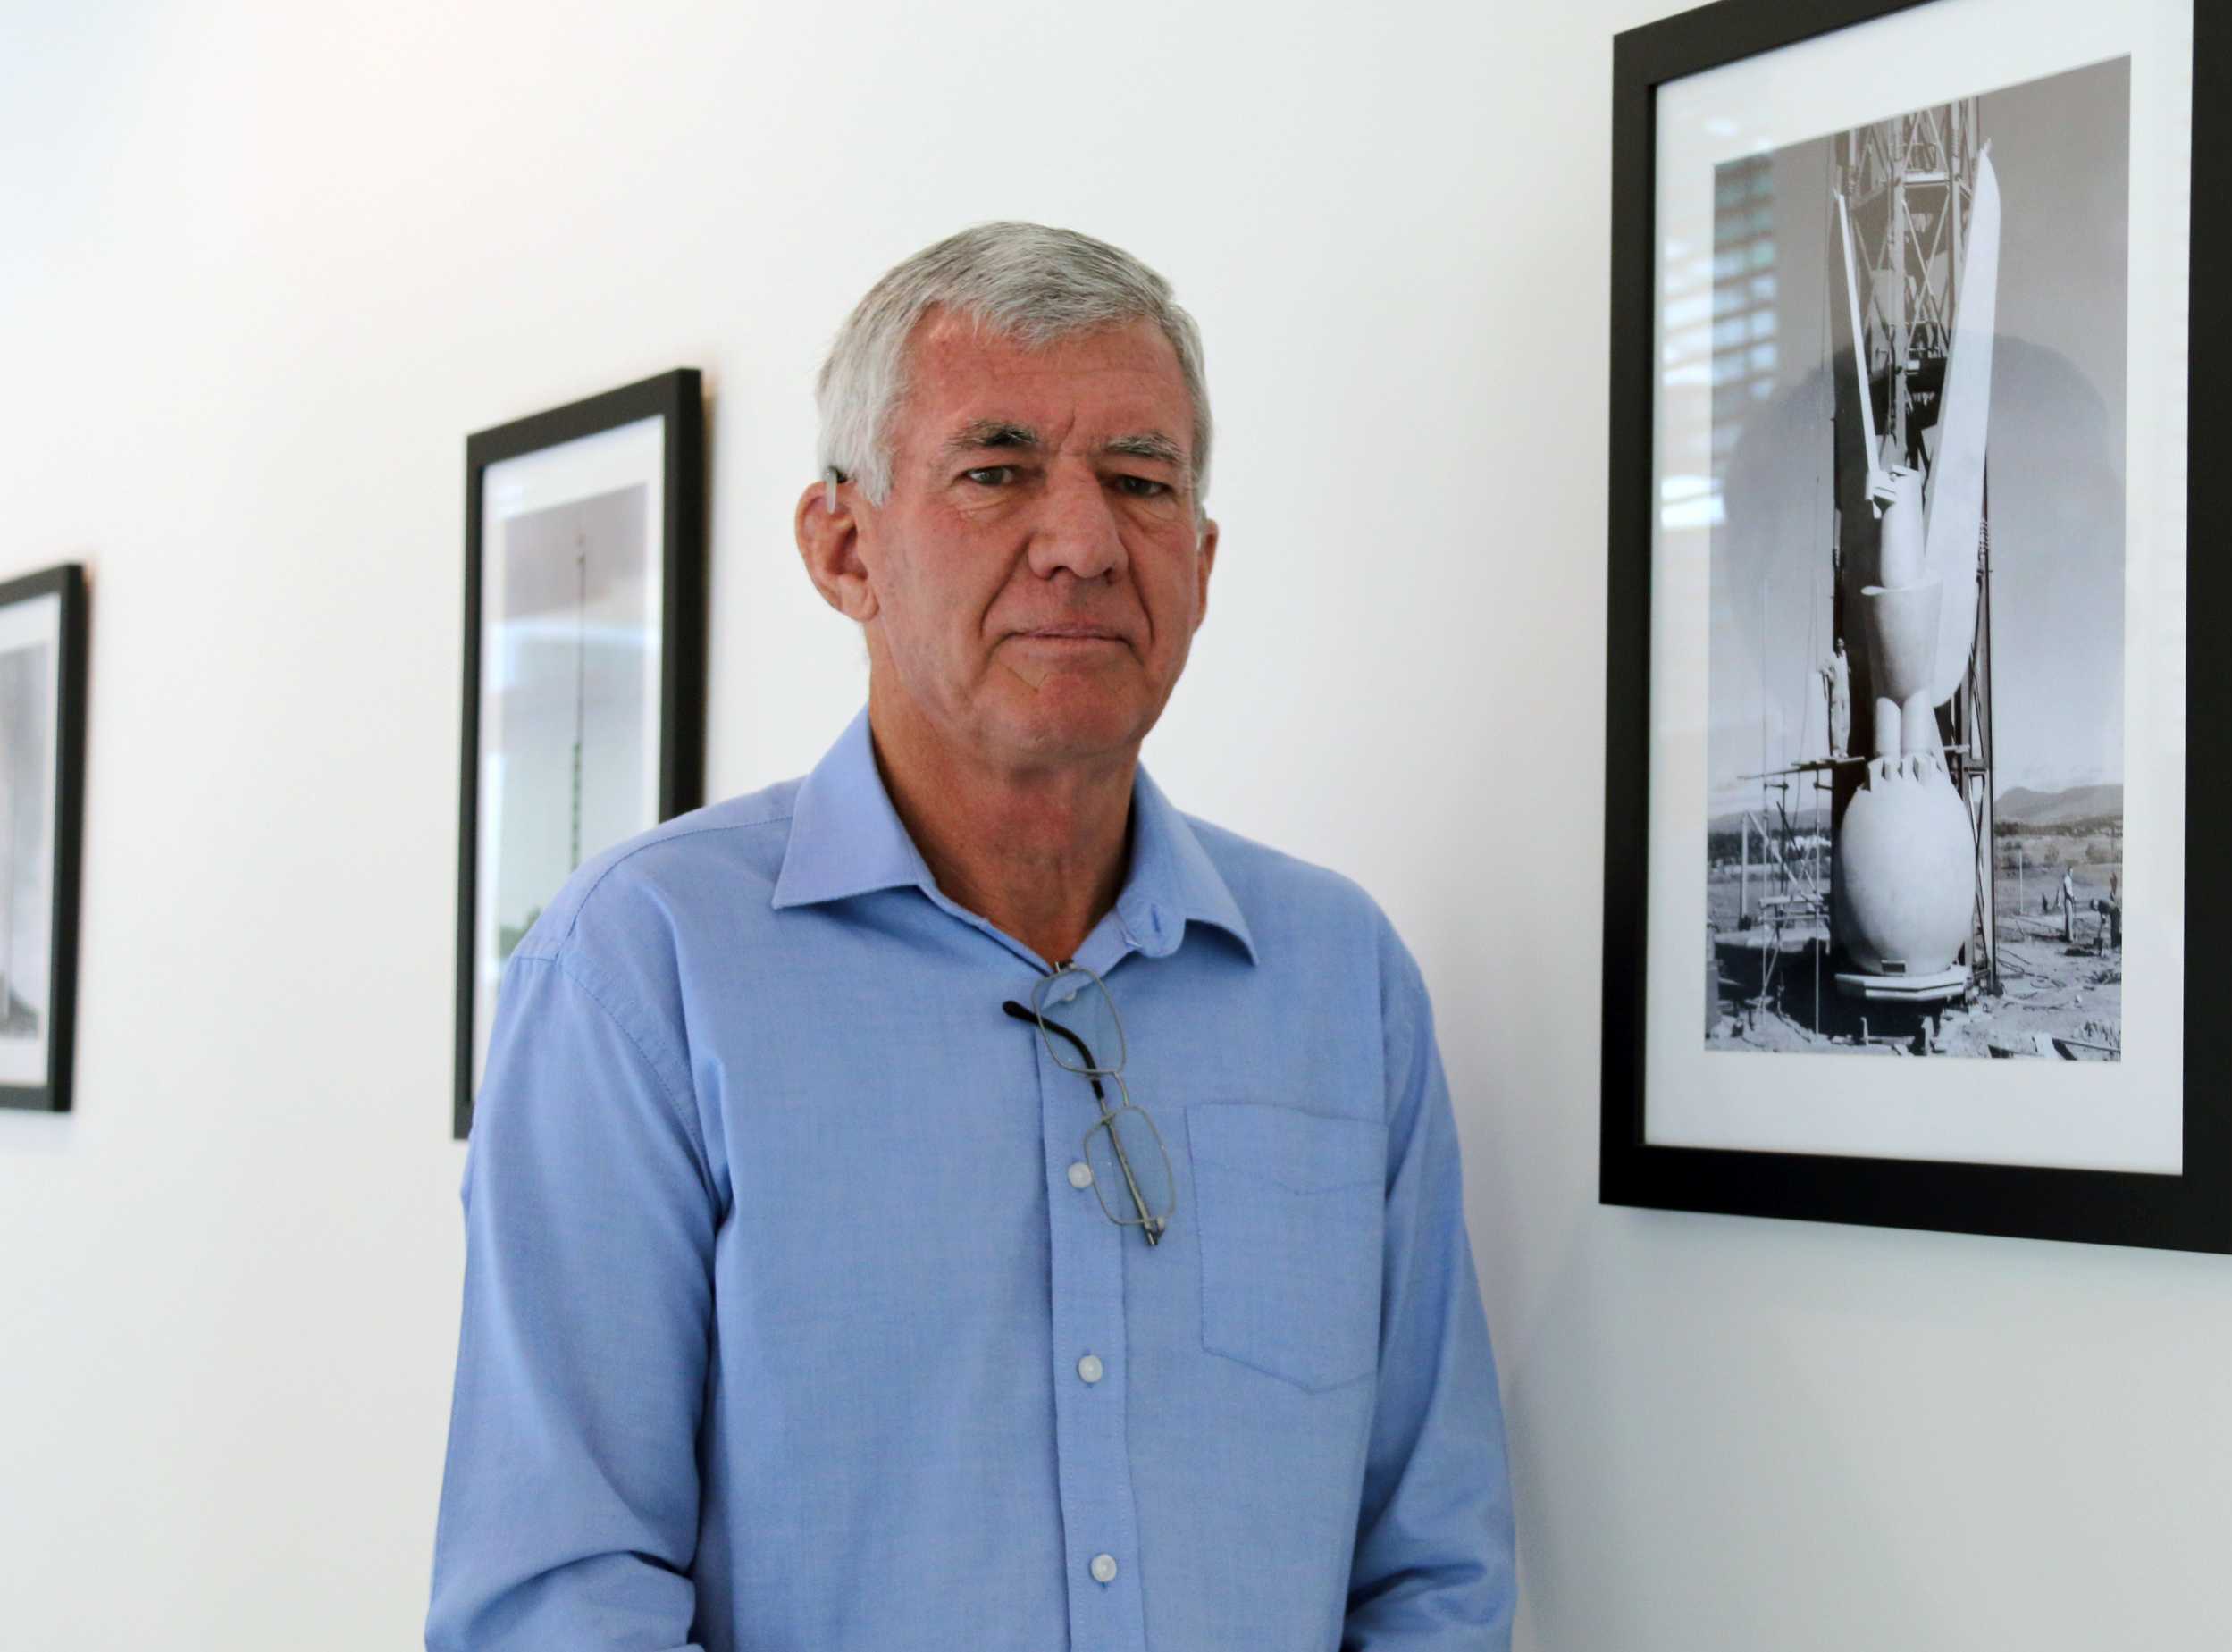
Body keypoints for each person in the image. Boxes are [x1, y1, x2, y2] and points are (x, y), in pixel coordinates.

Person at [427, 223, 1516, 1651]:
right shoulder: (643, 970)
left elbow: (1435, 1566)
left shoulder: (1340, 981)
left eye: (1140, 479)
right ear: (843, 545)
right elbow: (556, 1601)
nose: (1080, 543)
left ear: (1200, 555)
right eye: (995, 470)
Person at [1819, 636, 1851, 759]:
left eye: (1841, 643)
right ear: (1835, 645)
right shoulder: (1832, 657)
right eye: (1838, 643)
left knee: (1846, 721)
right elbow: (1822, 667)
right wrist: (1829, 674)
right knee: (1837, 721)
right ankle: (1836, 749)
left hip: (1846, 692)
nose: (1839, 645)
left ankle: (1844, 749)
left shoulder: (1845, 656)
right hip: (1837, 692)